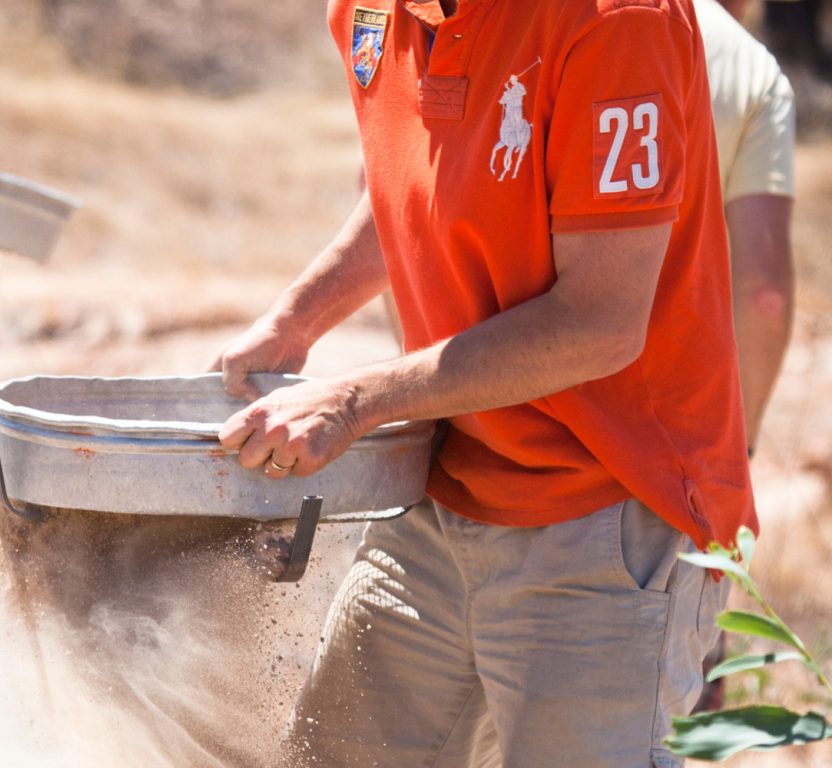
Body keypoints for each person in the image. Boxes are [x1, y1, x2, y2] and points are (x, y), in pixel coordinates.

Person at [211, 1, 757, 765]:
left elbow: (600, 321)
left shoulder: (617, 21)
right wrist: (294, 321)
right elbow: (418, 173)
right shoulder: (371, 12)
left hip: (605, 516)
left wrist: (356, 399)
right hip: (441, 490)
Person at [692, 0, 796, 713]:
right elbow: (763, 296)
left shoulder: (548, 23)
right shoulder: (748, 66)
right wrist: (737, 449)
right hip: (679, 457)